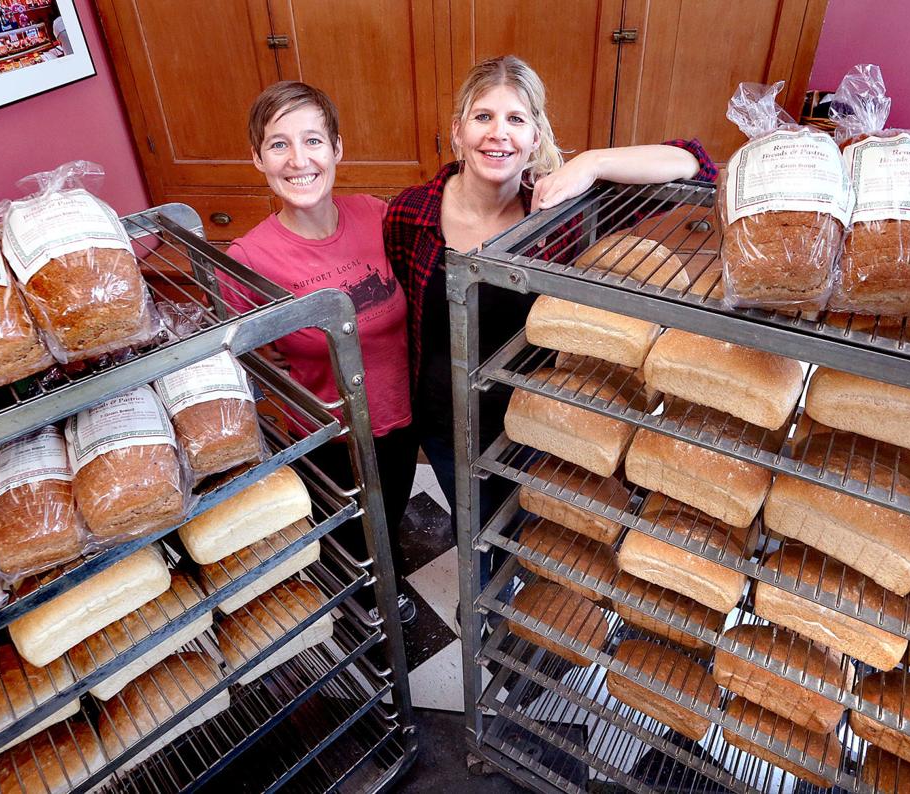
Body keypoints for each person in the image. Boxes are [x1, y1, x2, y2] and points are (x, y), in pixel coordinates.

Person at [385, 55, 717, 546]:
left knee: (520, 525)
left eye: (516, 120)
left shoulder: (558, 214)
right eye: (484, 117)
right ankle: (473, 599)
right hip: (443, 420)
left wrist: (593, 162)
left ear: (534, 138)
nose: (499, 133)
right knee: (473, 524)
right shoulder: (410, 213)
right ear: (458, 132)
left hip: (534, 421)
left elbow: (695, 163)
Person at [220, 81, 418, 623]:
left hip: (400, 417)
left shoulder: (377, 215)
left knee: (389, 513)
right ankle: (360, 594)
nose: (298, 159)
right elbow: (247, 361)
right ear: (257, 158)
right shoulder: (248, 258)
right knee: (351, 530)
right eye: (279, 144)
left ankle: (387, 568)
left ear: (337, 149)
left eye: (313, 140)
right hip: (327, 435)